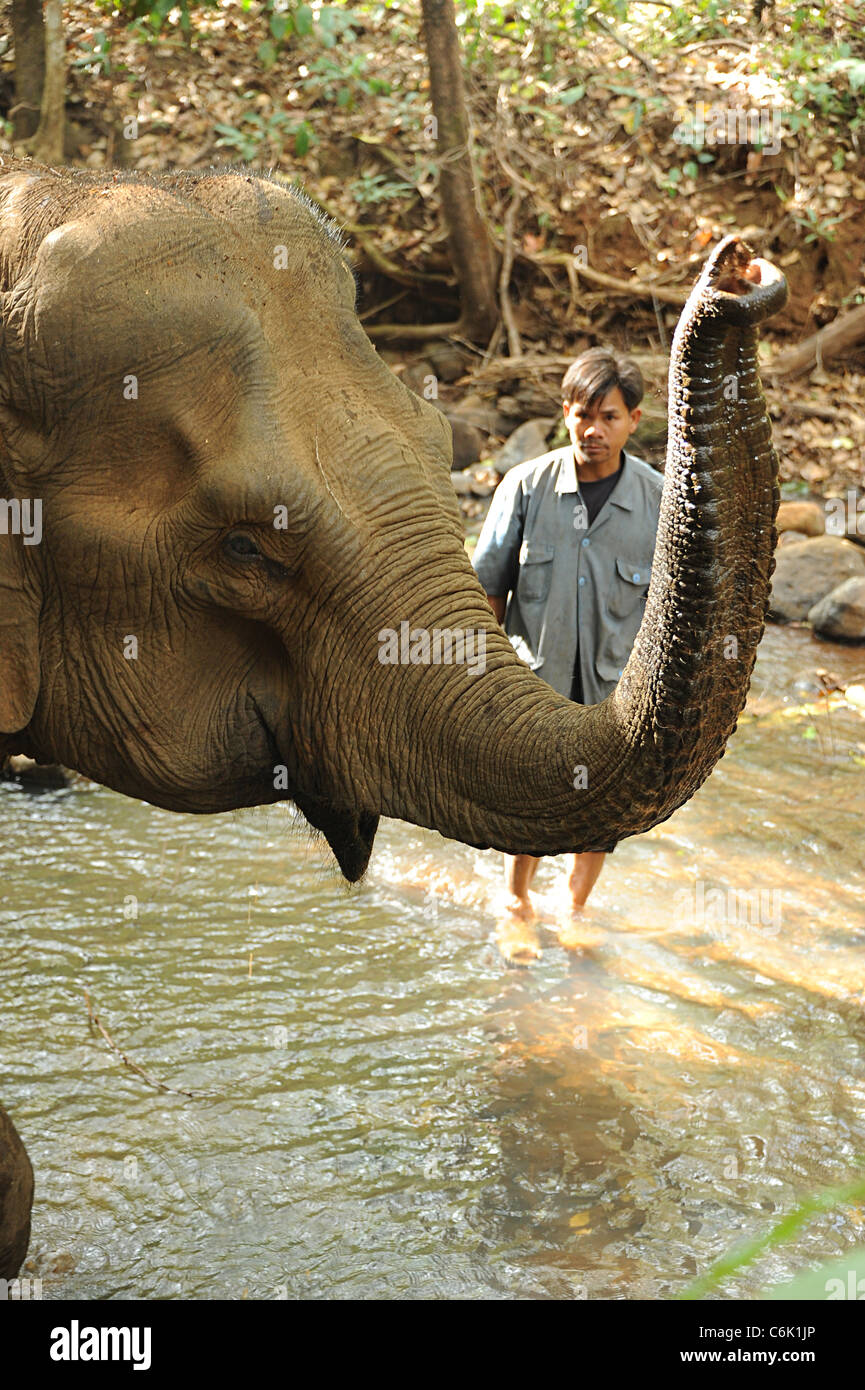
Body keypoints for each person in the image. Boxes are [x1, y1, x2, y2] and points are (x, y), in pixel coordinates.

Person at [472, 347, 662, 931]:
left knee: (602, 813)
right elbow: (486, 590)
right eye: (583, 414)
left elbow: (669, 610)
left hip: (617, 699)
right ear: (564, 414)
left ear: (634, 419)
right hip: (534, 687)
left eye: (609, 416)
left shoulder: (659, 501)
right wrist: (485, 680)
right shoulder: (525, 488)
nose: (594, 430)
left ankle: (575, 911)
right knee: (530, 801)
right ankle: (517, 901)